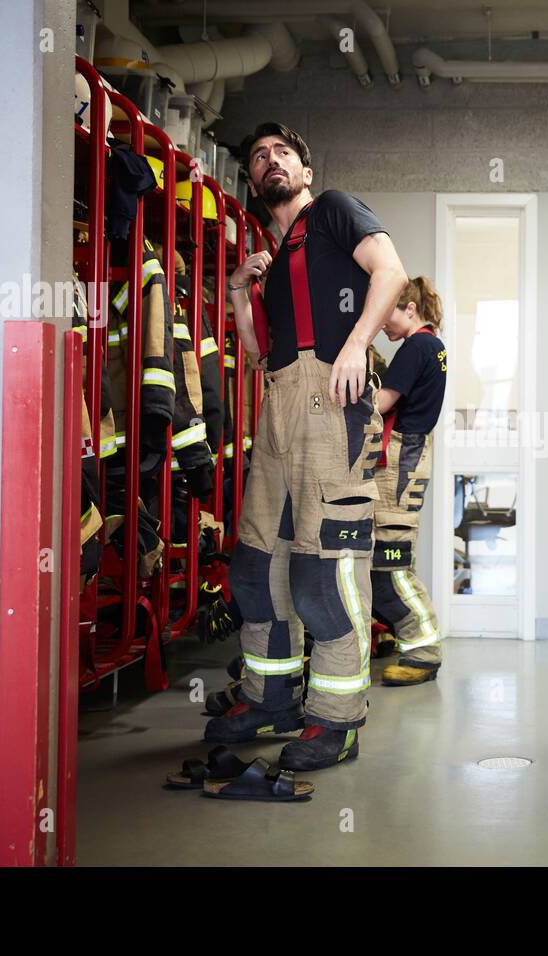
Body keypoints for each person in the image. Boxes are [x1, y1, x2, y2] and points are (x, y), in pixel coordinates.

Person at [209, 121, 408, 776]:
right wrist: (241, 290)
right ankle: (271, 699)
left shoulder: (333, 211)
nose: (271, 161)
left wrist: (355, 345)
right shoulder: (274, 253)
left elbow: (392, 271)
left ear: (306, 170)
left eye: (283, 153)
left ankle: (337, 719)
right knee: (257, 563)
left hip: (330, 398)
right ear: (252, 179)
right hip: (278, 401)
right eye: (259, 156)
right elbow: (258, 351)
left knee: (323, 574)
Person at [369, 277, 449, 686]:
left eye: (387, 317)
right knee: (385, 563)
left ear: (411, 309)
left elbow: (381, 403)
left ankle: (424, 651)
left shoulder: (417, 346)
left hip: (403, 457)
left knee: (391, 567)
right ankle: (408, 643)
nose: (382, 327)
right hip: (411, 454)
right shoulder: (432, 347)